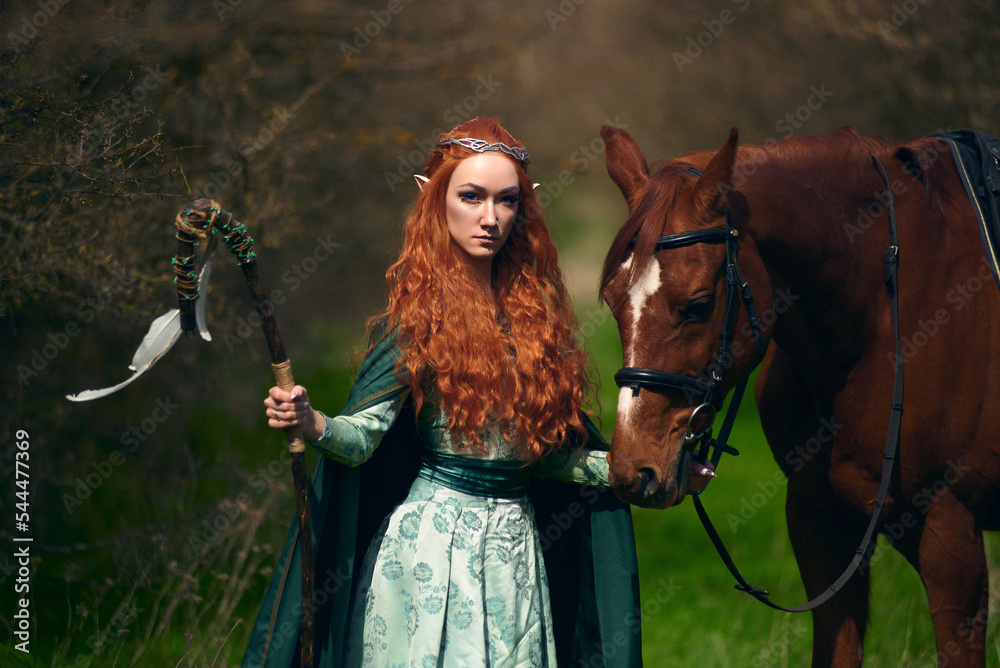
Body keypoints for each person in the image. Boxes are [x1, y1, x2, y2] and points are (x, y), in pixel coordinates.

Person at [242, 118, 712, 667]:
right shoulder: (418, 323)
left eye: (506, 201)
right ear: (434, 198)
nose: (490, 218)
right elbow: (363, 440)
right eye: (471, 196)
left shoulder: (536, 326)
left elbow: (549, 461)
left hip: (515, 558)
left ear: (524, 209)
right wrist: (312, 422)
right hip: (428, 557)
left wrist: (665, 472)